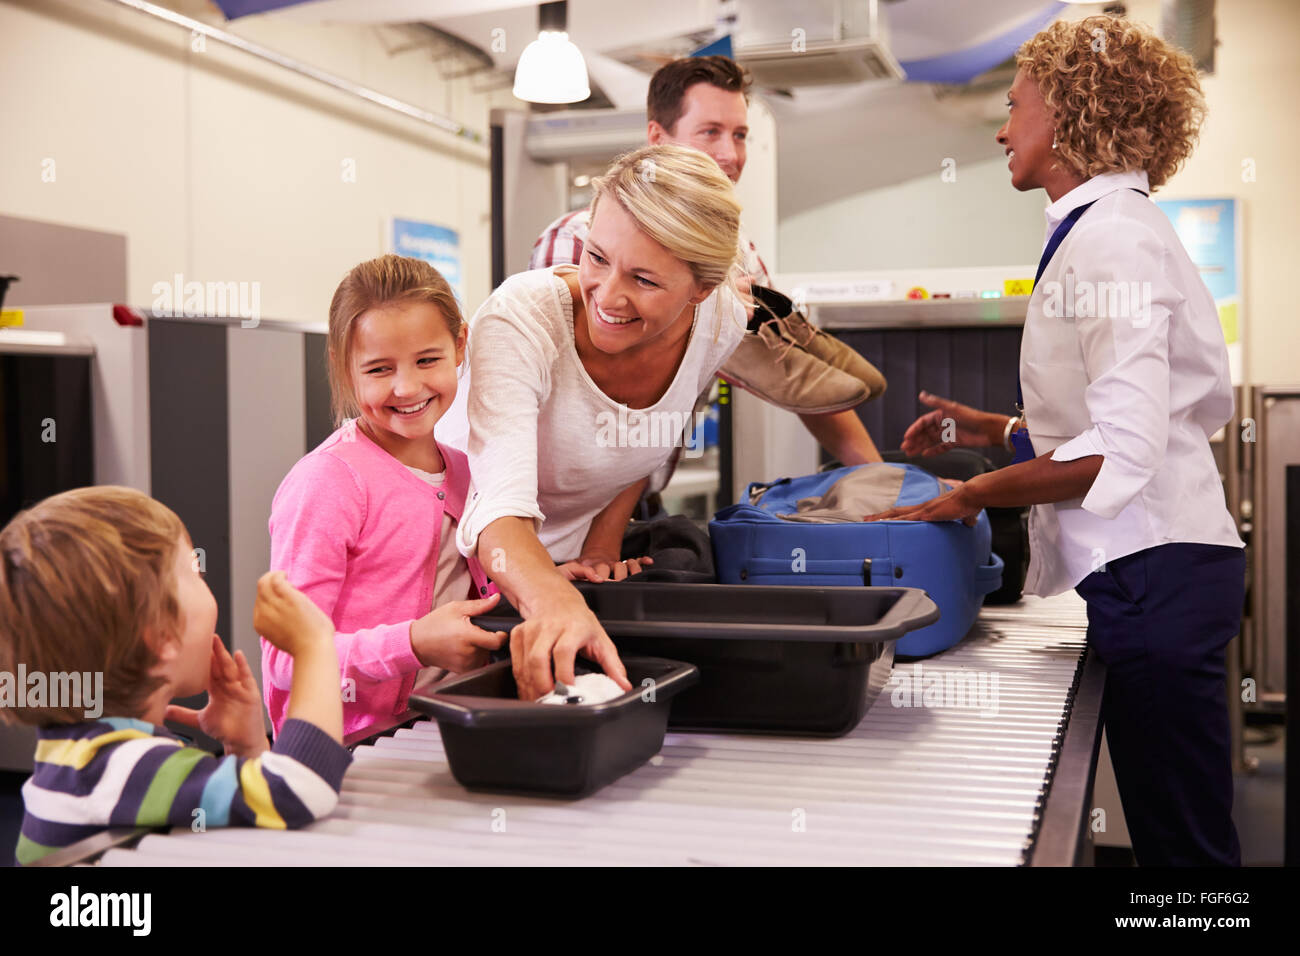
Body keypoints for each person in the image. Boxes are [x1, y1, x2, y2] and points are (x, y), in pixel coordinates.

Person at [868, 16, 1244, 866]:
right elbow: (1119, 418)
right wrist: (994, 429)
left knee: (1183, 853)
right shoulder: (1103, 230)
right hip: (1160, 567)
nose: (1001, 128)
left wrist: (968, 493)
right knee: (1176, 834)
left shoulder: (1113, 238)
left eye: (1012, 106)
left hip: (1157, 569)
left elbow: (1120, 451)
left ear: (1071, 110)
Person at [458, 144, 749, 700]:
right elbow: (497, 511)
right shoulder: (522, 320)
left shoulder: (721, 320)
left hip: (564, 583)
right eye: (596, 257)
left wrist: (601, 547)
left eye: (644, 279)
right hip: (461, 578)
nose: (607, 297)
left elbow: (648, 436)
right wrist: (553, 599)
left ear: (701, 290)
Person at [531, 54, 886, 466]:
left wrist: (883, 481)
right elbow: (561, 383)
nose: (731, 154)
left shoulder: (740, 253)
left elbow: (802, 383)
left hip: (643, 481)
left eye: (739, 135)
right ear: (658, 139)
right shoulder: (578, 237)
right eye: (710, 132)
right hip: (559, 481)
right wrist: (704, 318)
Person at [0, 486, 351, 865]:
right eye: (195, 572)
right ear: (162, 635)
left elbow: (249, 816)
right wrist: (315, 647)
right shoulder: (115, 767)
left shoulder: (84, 752)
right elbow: (298, 792)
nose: (206, 582)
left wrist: (246, 748)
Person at [265, 256, 507, 738]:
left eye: (427, 360)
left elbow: (466, 588)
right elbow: (287, 658)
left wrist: (549, 577)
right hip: (347, 749)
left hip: (444, 728)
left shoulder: (463, 469)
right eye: (379, 368)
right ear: (342, 365)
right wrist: (413, 643)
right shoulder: (328, 483)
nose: (407, 387)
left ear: (459, 346)